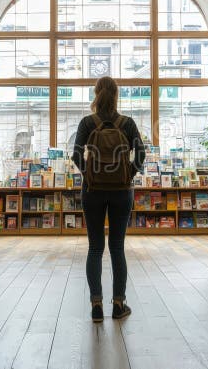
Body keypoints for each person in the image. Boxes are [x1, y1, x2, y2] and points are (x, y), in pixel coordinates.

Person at [71, 77, 145, 323]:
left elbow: (76, 155)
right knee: (117, 248)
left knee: (94, 248)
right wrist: (128, 175)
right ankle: (118, 304)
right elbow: (142, 153)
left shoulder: (87, 123)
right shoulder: (127, 123)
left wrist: (88, 175)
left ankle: (96, 307)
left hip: (92, 191)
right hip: (122, 192)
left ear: (96, 94)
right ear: (116, 95)